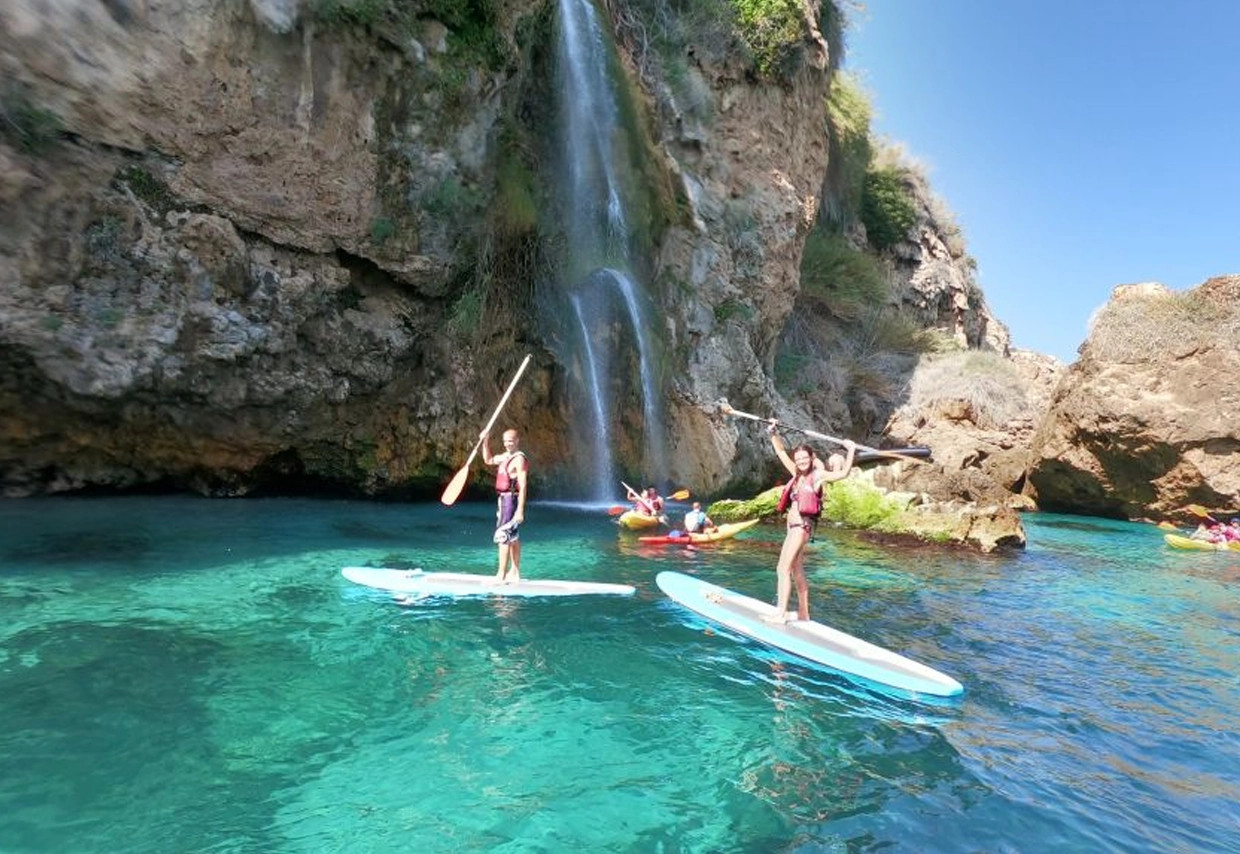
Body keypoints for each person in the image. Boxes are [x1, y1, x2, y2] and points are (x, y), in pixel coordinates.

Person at [767, 419, 855, 624]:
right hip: (793, 528)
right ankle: (804, 613)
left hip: (800, 528)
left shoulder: (818, 476)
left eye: (804, 459)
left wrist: (850, 449)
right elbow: (780, 452)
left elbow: (843, 473)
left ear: (811, 457)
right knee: (797, 569)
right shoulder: (796, 475)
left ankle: (780, 613)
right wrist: (773, 432)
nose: (801, 462)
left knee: (782, 569)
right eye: (798, 460)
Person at [480, 427, 527, 583]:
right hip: (503, 500)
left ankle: (501, 574)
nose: (508, 444)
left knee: (503, 537)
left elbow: (523, 485)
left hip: (511, 502)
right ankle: (514, 572)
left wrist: (520, 510)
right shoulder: (505, 457)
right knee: (513, 537)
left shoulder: (519, 459)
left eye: (511, 441)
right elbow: (488, 460)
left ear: (517, 441)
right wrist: (485, 441)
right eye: (505, 441)